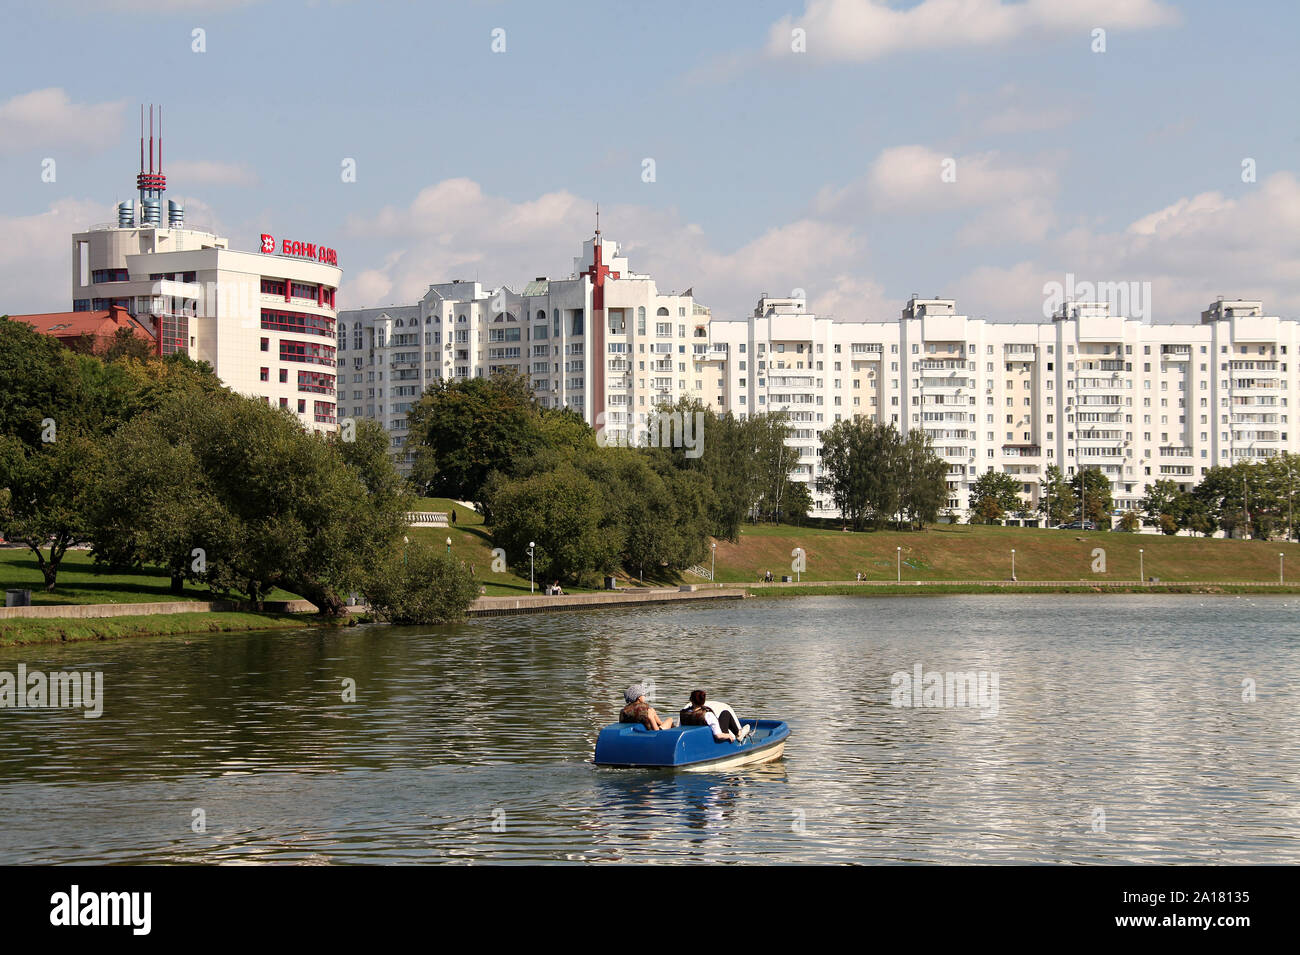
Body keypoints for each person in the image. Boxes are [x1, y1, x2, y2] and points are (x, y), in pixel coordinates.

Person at [679, 690, 752, 742]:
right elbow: (718, 735)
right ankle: (739, 734)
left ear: (691, 700)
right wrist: (729, 736)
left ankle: (739, 733)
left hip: (693, 738)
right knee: (725, 713)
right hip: (710, 738)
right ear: (703, 701)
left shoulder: (683, 713)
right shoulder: (707, 714)